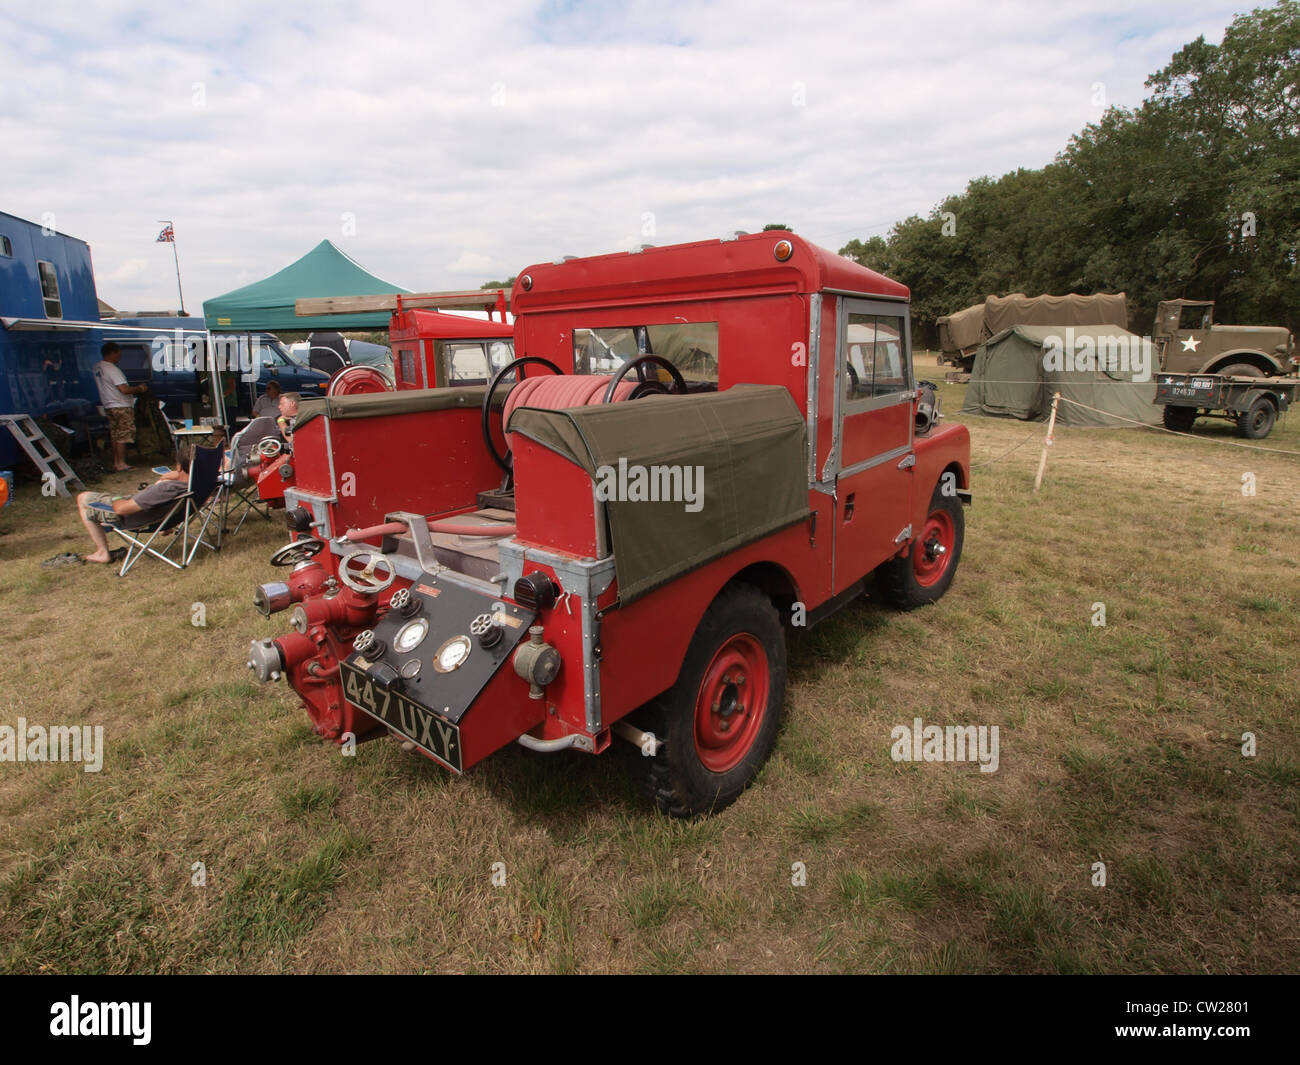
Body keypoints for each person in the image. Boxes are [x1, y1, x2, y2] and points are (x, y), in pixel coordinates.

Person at [76, 445, 192, 563]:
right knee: (162, 481)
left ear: (179, 467)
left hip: (133, 517)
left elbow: (121, 510)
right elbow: (172, 477)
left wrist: (116, 498)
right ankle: (165, 528)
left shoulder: (167, 488)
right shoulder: (196, 484)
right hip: (166, 517)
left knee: (83, 498)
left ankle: (102, 552)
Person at [93, 341, 147, 472]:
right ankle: (121, 463)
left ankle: (116, 461)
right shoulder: (112, 369)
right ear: (113, 353)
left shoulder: (97, 367)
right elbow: (124, 389)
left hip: (108, 405)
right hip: (121, 405)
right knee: (123, 435)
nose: (120, 356)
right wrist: (139, 388)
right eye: (119, 353)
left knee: (115, 434)